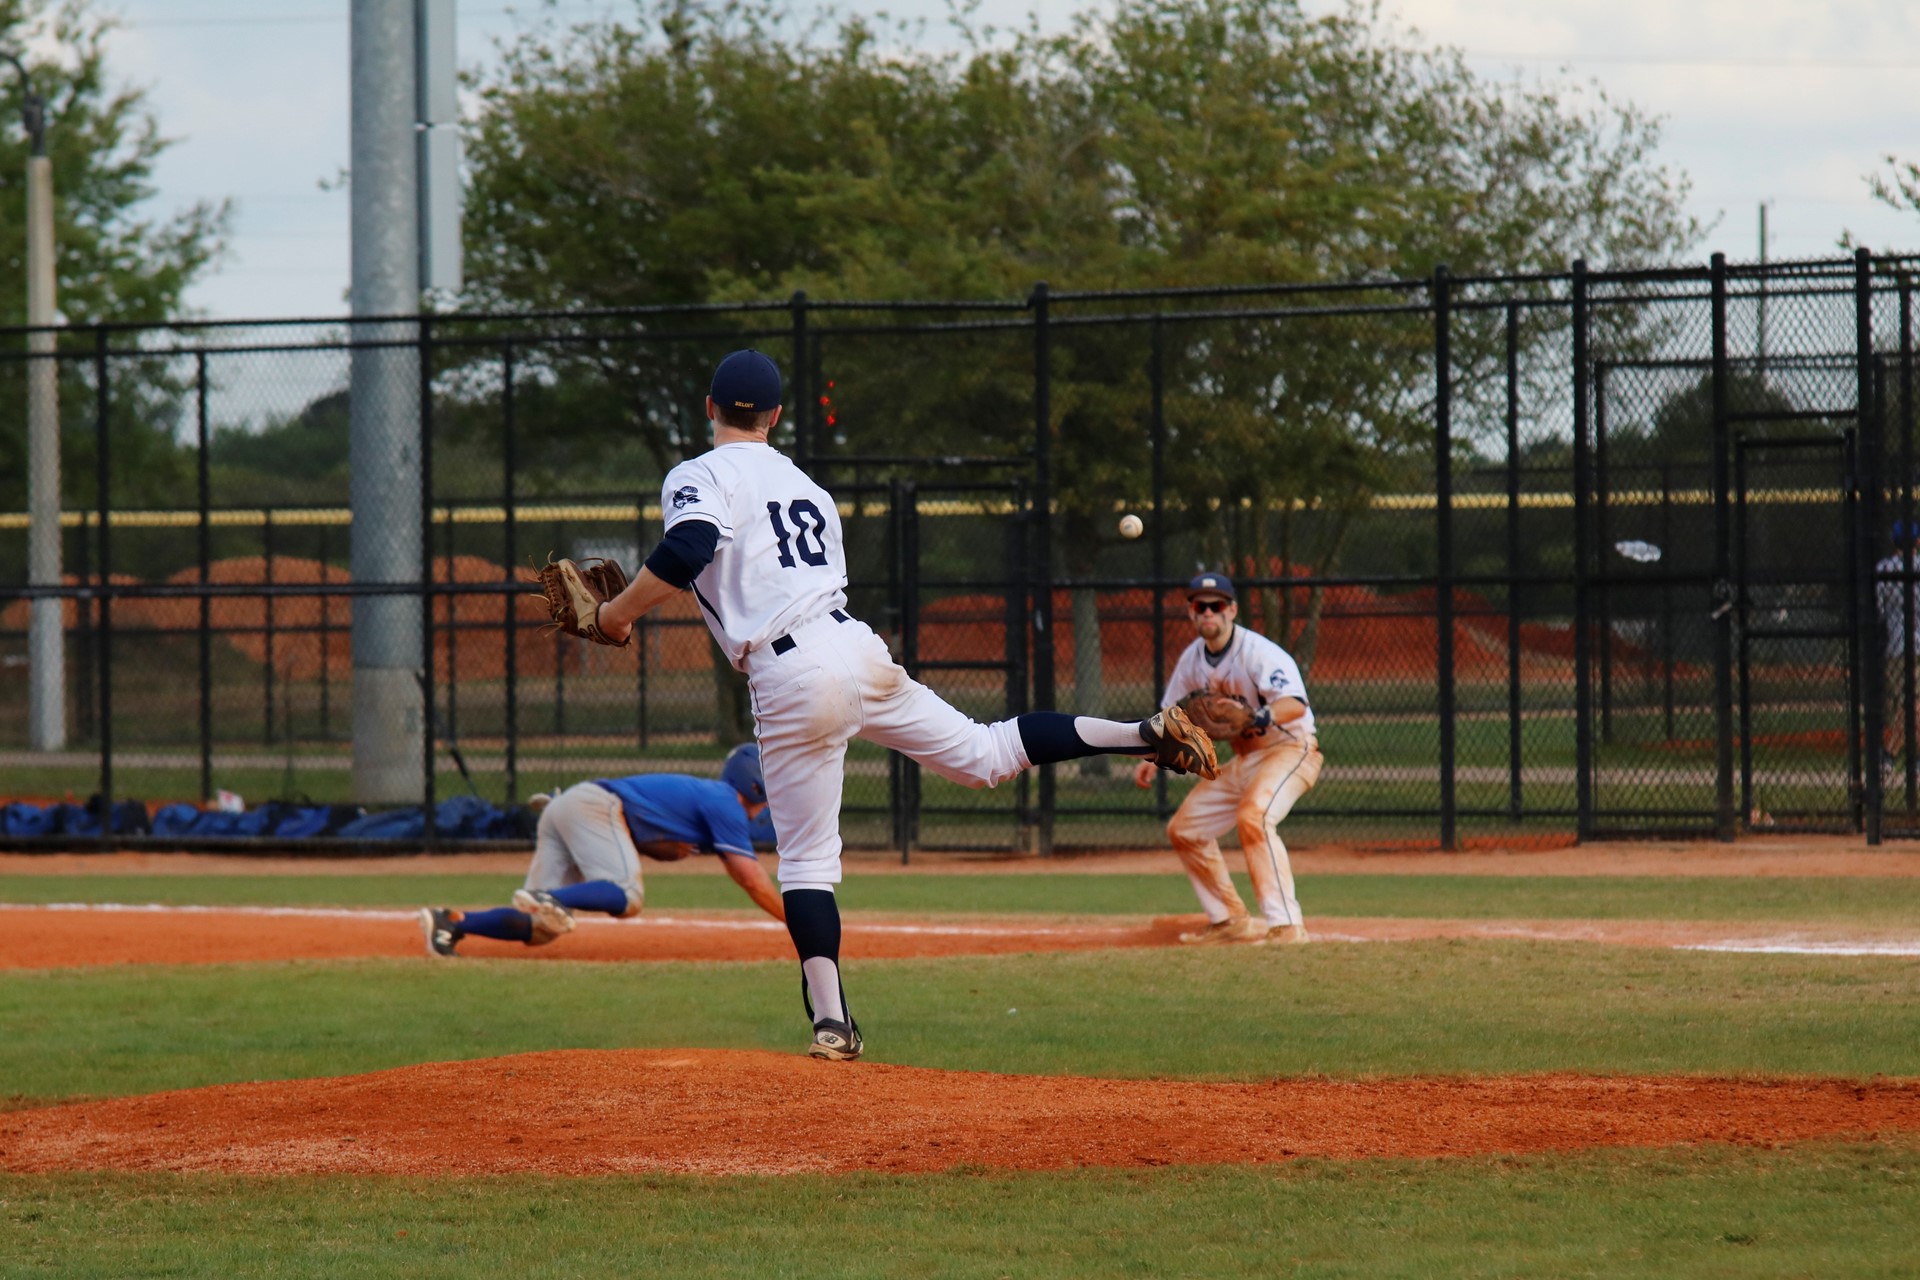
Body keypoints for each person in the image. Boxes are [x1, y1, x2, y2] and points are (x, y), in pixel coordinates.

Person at [588, 348, 1218, 1061]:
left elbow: (691, 545)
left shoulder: (698, 473)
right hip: (857, 645)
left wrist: (617, 613)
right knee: (986, 753)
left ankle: (832, 1024)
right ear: (776, 417)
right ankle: (1140, 731)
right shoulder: (808, 488)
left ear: (709, 408)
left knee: (804, 863)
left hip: (790, 670)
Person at [418, 743, 783, 957]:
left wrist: (663, 851)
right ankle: (551, 896)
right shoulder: (726, 801)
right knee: (627, 894)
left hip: (571, 808)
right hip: (595, 806)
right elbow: (748, 876)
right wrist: (794, 920)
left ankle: (452, 922)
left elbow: (646, 836)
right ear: (753, 782)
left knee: (541, 925)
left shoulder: (713, 798)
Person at [1133, 572, 1322, 946]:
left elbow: (1295, 705)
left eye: (1216, 605)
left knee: (1254, 816)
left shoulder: (1258, 652)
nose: (1208, 612)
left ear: (1231, 610)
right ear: (1191, 612)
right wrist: (1150, 755)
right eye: (1199, 606)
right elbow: (1171, 714)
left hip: (1289, 750)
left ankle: (1286, 925)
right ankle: (1229, 919)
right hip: (1244, 759)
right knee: (1185, 830)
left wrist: (1259, 717)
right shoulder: (1192, 660)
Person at [1877, 519, 1920, 781]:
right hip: (1917, 642)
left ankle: (1892, 755)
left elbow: (1880, 611)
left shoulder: (1884, 568)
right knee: (1913, 703)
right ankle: (1894, 754)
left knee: (1909, 703)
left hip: (1895, 644)